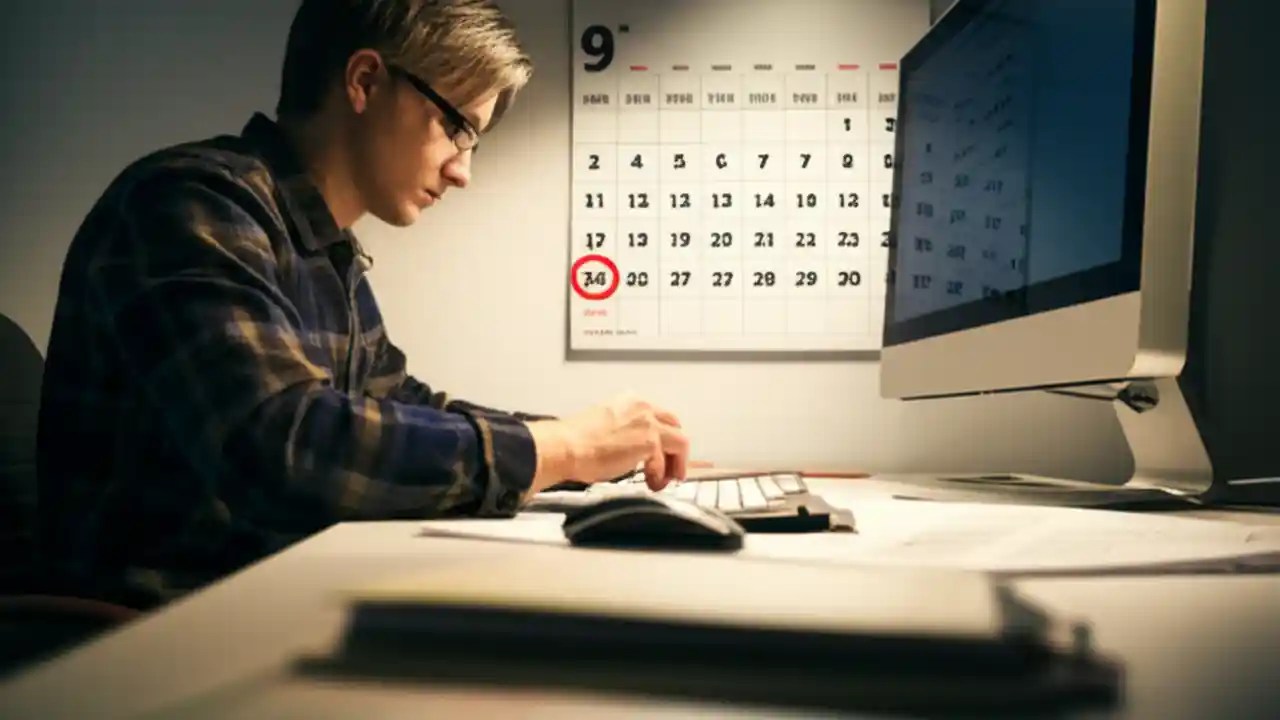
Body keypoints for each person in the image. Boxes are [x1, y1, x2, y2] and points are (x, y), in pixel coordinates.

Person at [35, 0, 691, 610]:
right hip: (156, 638)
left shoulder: (325, 250)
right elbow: (281, 446)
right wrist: (561, 447)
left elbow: (395, 408)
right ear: (366, 82)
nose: (463, 169)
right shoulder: (189, 204)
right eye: (455, 125)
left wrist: (594, 456)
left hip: (265, 608)